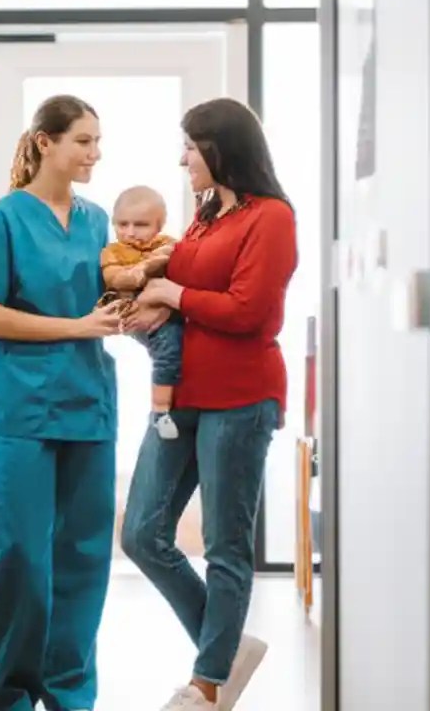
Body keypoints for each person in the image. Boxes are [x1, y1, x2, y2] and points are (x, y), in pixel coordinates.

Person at [119, 97, 298, 711]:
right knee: (142, 533)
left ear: (221, 149)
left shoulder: (271, 218)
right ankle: (224, 649)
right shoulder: (204, 215)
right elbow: (185, 294)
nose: (182, 158)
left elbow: (251, 312)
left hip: (240, 399)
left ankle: (206, 686)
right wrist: (147, 303)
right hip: (182, 398)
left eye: (191, 147)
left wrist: (174, 291)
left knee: (225, 546)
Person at [0, 94, 124, 711]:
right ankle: (10, 695)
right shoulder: (2, 219)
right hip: (22, 409)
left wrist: (129, 312)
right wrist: (78, 327)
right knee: (22, 558)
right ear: (45, 143)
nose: (94, 153)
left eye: (97, 141)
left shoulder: (98, 219)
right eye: (83, 140)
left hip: (89, 403)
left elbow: (104, 304)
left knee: (82, 559)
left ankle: (70, 696)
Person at [97, 185, 183, 440]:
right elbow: (115, 278)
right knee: (168, 345)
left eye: (141, 225)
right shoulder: (114, 251)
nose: (130, 233)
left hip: (166, 304)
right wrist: (141, 271)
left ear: (159, 224)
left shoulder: (167, 245)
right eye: (122, 225)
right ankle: (160, 411)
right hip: (131, 305)